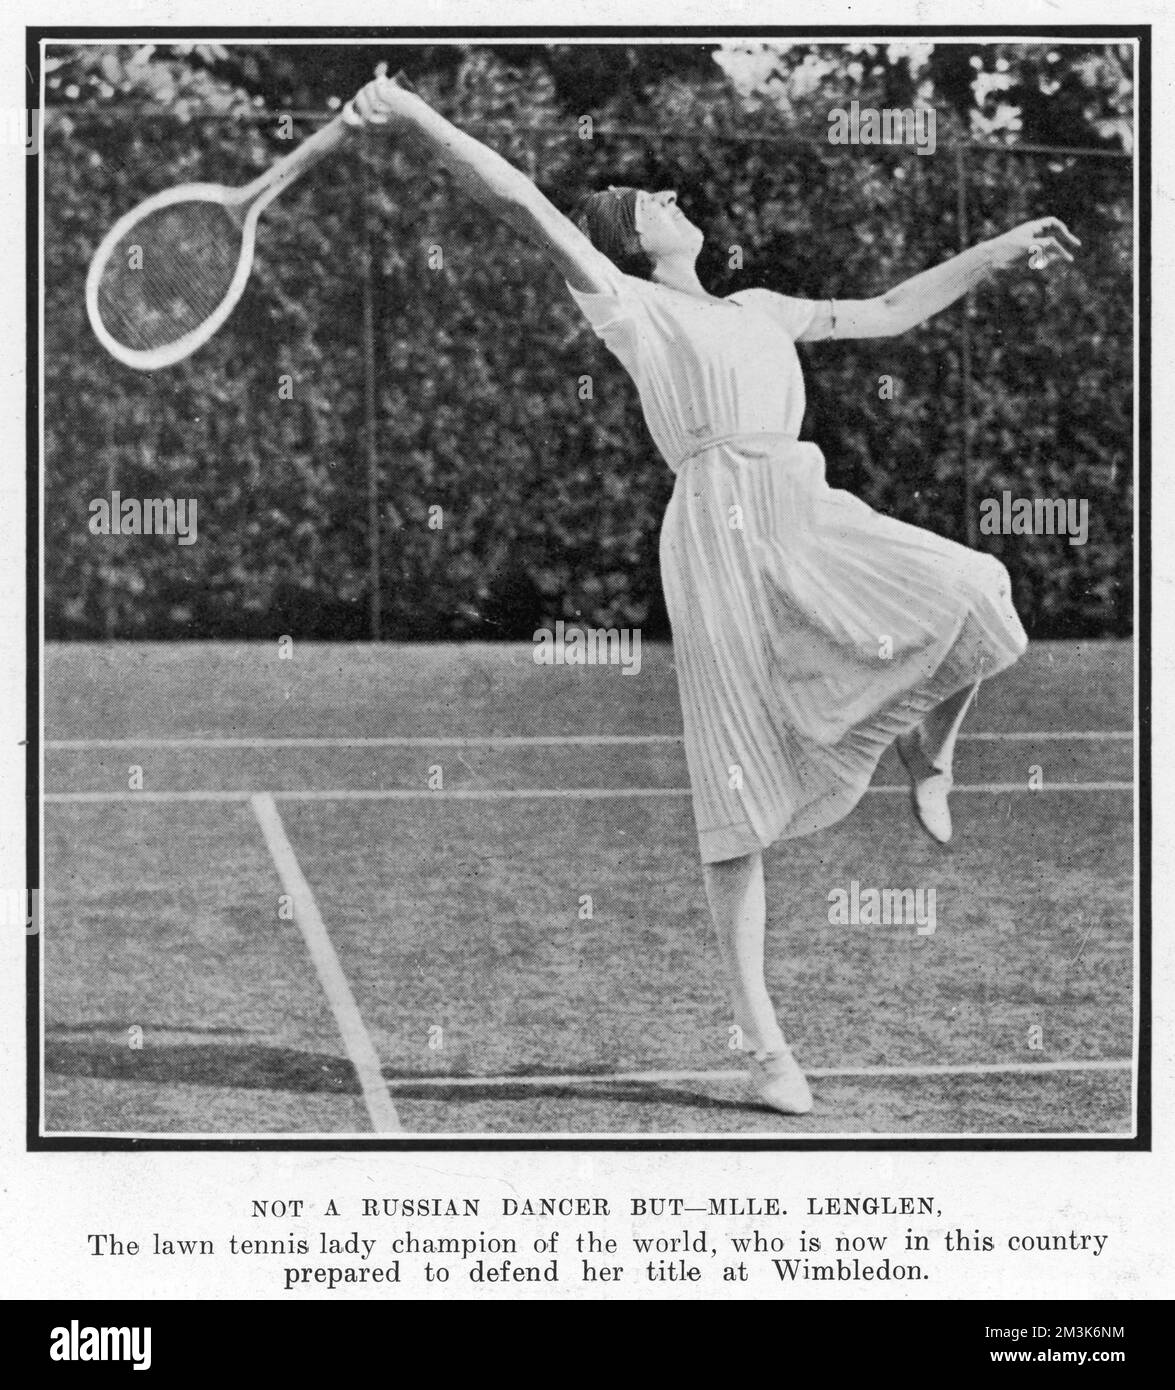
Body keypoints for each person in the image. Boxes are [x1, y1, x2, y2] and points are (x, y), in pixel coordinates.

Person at [344, 71, 1079, 1117]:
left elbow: (889, 308)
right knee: (732, 807)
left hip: (799, 502)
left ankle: (931, 747)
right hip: (714, 539)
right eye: (647, 201)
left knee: (979, 585)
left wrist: (999, 247)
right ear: (625, 243)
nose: (669, 196)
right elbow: (511, 196)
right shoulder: (619, 301)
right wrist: (412, 113)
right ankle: (766, 1048)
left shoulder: (760, 307)